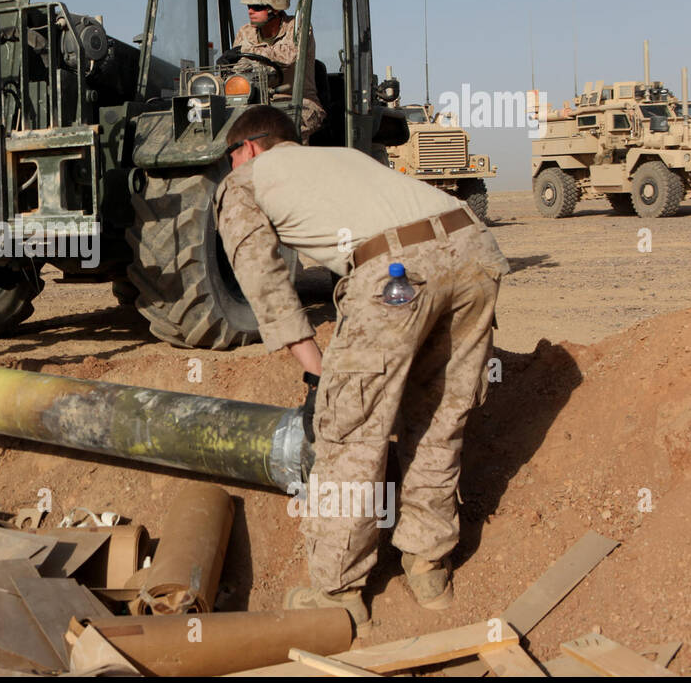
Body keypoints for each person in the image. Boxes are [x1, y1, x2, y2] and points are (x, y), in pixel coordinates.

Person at [214, 105, 509, 625]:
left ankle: (338, 593)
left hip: (397, 272)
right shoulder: (342, 157)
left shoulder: (245, 181)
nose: (228, 166)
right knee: (440, 415)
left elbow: (263, 282)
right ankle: (428, 565)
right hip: (475, 248)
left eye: (230, 154)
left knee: (350, 432)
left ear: (251, 149)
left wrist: (318, 374)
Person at [227, 0, 326, 141]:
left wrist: (246, 51)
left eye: (257, 7)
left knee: (280, 136)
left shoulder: (298, 27)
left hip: (299, 104)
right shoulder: (245, 32)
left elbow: (290, 55)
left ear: (275, 8)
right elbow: (241, 69)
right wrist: (230, 63)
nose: (250, 11)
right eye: (249, 6)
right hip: (257, 105)